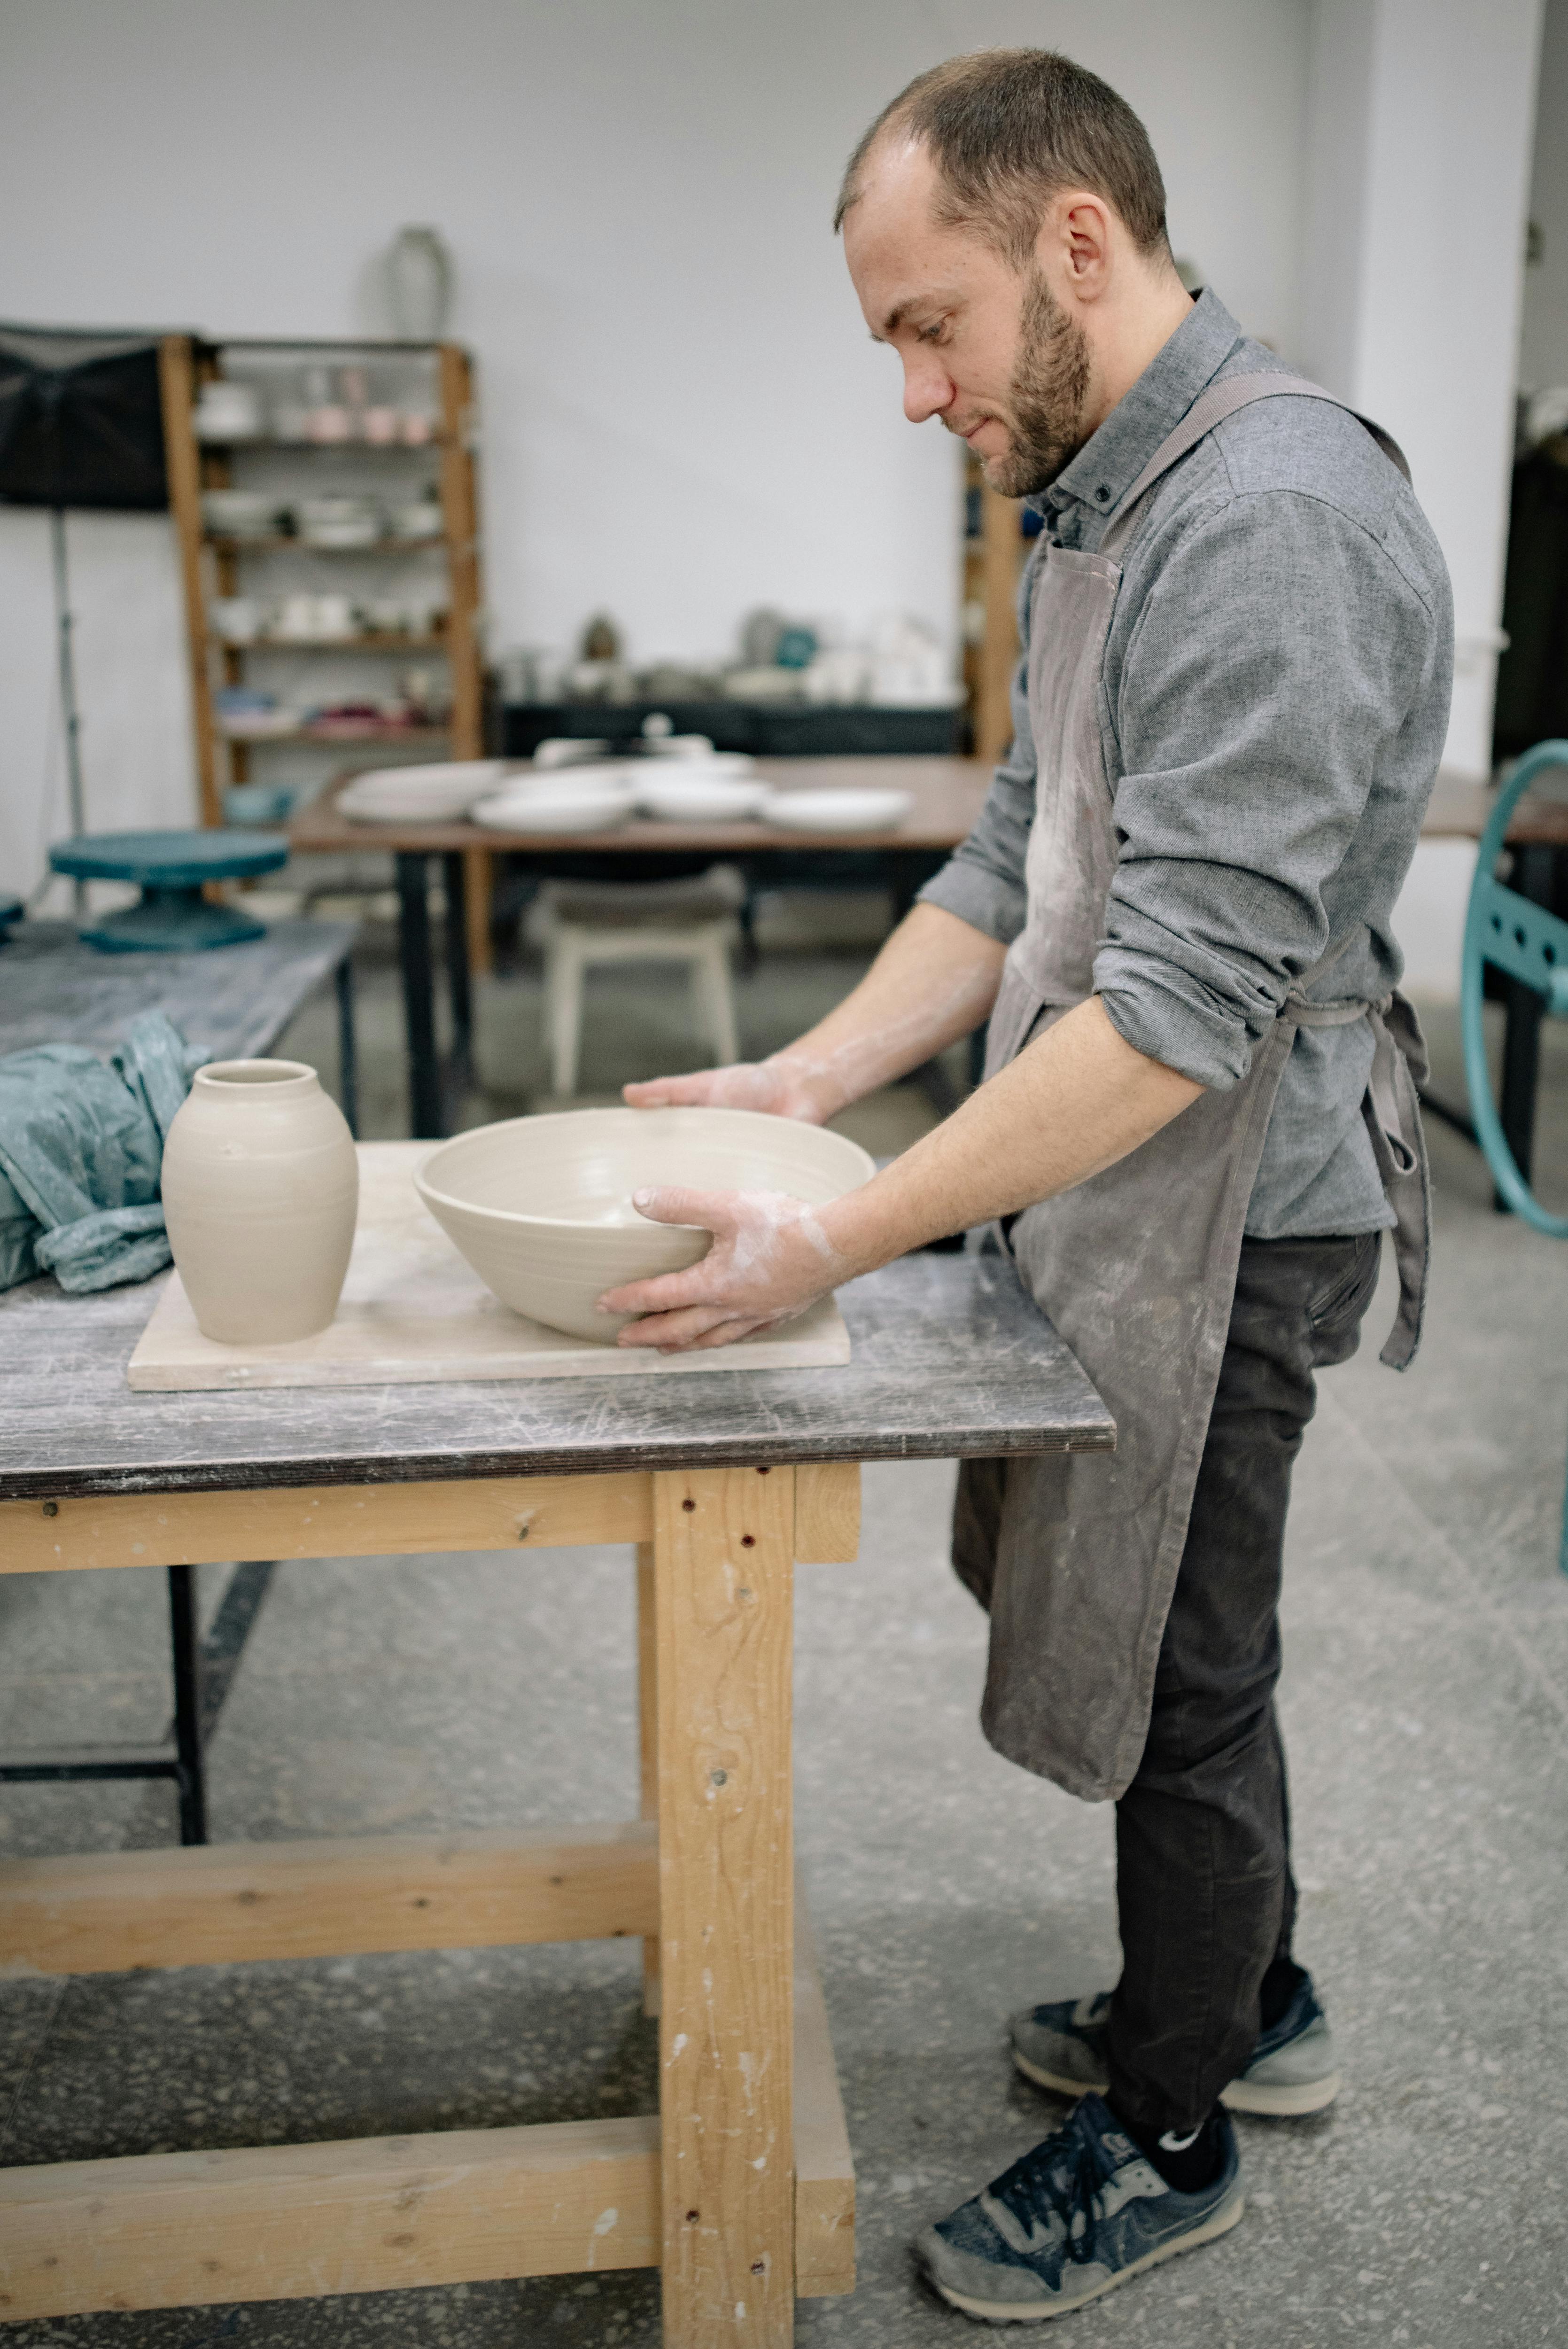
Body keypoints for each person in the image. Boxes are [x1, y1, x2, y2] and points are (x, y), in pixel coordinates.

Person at [599, 47, 1452, 2324]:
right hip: (1112, 1178)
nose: (913, 388)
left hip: (1233, 1206)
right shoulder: (1100, 499)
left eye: (928, 323)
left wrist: (838, 1228)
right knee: (1162, 1630)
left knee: (1181, 1663)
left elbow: (1173, 1008)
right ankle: (1242, 1996)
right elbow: (1013, 855)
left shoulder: (1271, 515)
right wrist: (808, 1075)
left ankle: (1176, 2118)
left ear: (1076, 241)